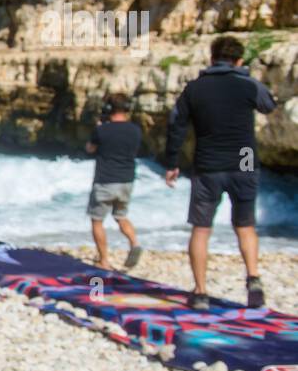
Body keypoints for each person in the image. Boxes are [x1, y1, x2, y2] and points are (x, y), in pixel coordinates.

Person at [164, 35, 278, 310]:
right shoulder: (248, 84)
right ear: (239, 60)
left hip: (208, 161)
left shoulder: (194, 89)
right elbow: (269, 105)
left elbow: (176, 125)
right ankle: (252, 277)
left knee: (201, 229)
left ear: (211, 58)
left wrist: (172, 162)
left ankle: (201, 292)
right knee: (245, 225)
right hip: (245, 159)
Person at [84, 93, 142, 270]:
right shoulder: (135, 130)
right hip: (127, 180)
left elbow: (90, 149)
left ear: (108, 109)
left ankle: (104, 260)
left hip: (105, 180)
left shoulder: (102, 130)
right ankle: (134, 243)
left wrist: (99, 130)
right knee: (121, 216)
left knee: (97, 221)